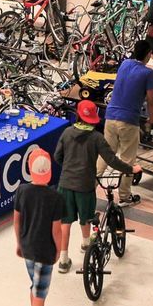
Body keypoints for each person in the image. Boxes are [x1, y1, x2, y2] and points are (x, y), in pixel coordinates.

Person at [54, 100, 138, 274]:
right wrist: (131, 169)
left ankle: (63, 260)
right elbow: (111, 160)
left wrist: (69, 168)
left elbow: (57, 156)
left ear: (78, 115)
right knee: (86, 218)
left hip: (65, 184)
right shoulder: (96, 138)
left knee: (66, 221)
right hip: (85, 185)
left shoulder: (67, 132)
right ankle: (86, 244)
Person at [12, 149, 64, 306]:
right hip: (44, 252)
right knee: (41, 293)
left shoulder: (22, 191)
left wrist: (19, 243)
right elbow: (56, 230)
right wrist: (58, 251)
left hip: (27, 249)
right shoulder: (55, 197)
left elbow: (17, 220)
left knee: (34, 285)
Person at [99, 40, 153, 205]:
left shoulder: (124, 64)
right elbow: (151, 100)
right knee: (127, 158)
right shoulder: (148, 73)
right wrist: (152, 118)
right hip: (129, 121)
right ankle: (124, 196)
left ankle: (90, 183)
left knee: (106, 153)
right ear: (147, 55)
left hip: (110, 116)